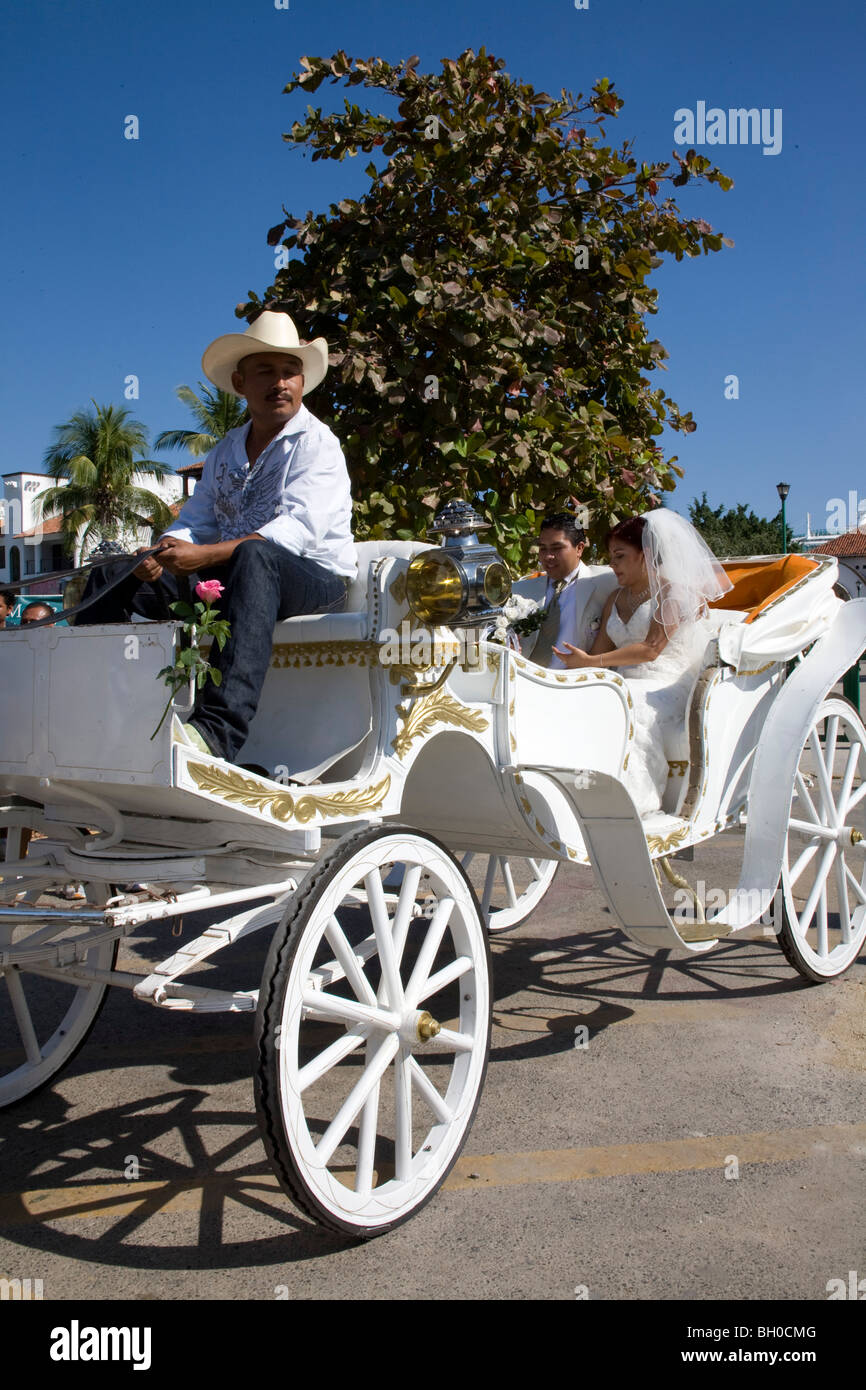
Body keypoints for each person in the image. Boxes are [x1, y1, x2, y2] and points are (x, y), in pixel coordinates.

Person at [77, 310, 357, 764]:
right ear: (240, 381)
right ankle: (93, 709)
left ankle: (217, 733)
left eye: (290, 372)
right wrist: (161, 551)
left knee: (254, 555)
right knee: (116, 572)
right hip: (237, 575)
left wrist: (203, 554)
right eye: (266, 371)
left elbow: (295, 534)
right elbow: (197, 520)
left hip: (317, 581)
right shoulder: (227, 448)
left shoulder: (317, 443)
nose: (280, 382)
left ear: (302, 383)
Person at [553, 511, 733, 816]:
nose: (613, 564)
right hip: (626, 680)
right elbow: (598, 655)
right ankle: (577, 791)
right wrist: (576, 667)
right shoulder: (614, 599)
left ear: (645, 555)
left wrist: (594, 660)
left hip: (667, 681)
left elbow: (652, 648)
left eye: (620, 556)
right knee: (580, 698)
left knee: (625, 700)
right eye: (611, 557)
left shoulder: (673, 594)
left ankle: (640, 801)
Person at [529, 512, 617, 667]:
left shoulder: (607, 581)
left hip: (578, 684)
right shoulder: (521, 589)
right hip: (521, 682)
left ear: (579, 549)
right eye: (543, 548)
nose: (548, 556)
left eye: (557, 548)